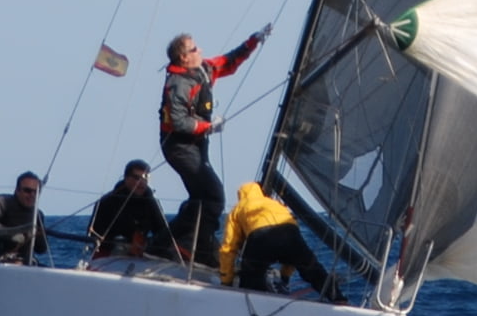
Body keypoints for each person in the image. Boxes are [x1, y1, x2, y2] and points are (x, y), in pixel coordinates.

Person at [161, 27, 266, 267]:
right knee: (214, 195)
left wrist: (253, 42)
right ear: (183, 58)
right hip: (179, 146)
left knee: (200, 197)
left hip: (196, 145)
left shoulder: (203, 69)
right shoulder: (178, 84)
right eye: (195, 49)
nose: (201, 50)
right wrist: (207, 127)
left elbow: (227, 62)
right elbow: (178, 121)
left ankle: (169, 242)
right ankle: (195, 246)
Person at [217, 181, 340, 300]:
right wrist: (285, 276)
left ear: (241, 196)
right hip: (290, 232)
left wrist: (226, 281)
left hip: (260, 238)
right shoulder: (275, 204)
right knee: (312, 269)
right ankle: (338, 298)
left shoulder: (238, 209)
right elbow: (292, 246)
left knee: (251, 276)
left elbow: (228, 248)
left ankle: (254, 304)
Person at [86, 160, 176, 260]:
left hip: (141, 252)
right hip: (111, 252)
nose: (142, 182)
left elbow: (161, 230)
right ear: (126, 178)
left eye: (146, 178)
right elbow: (93, 234)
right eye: (137, 178)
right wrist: (122, 242)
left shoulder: (151, 201)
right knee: (120, 247)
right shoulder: (107, 202)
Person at [0, 171, 48, 264]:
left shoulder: (38, 214)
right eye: (27, 191)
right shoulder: (3, 202)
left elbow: (41, 249)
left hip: (26, 263)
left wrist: (38, 235)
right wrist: (11, 234)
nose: (32, 195)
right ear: (17, 190)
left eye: (36, 192)